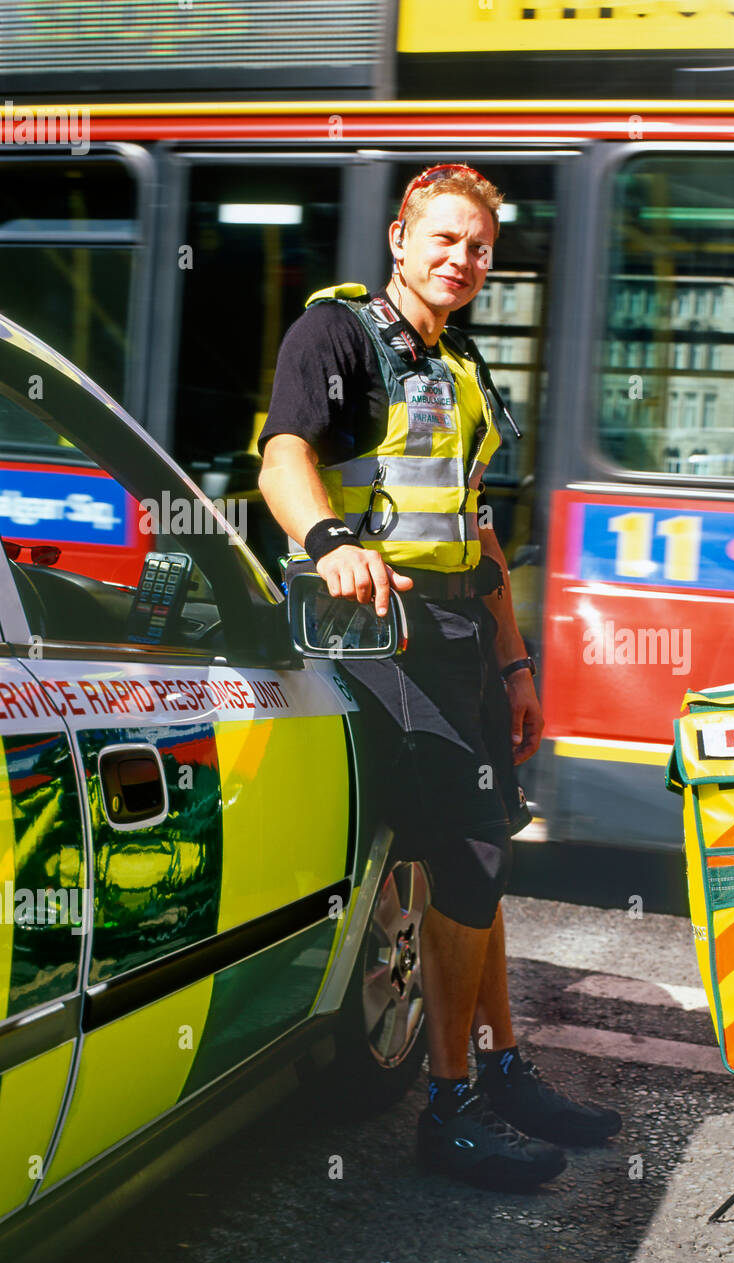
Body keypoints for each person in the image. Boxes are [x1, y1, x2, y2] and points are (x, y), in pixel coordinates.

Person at [258, 164, 620, 1191]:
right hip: (382, 635)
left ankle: (499, 1067)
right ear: (399, 239)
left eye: (478, 247)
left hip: (461, 639)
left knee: (483, 852)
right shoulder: (335, 336)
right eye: (443, 239)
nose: (460, 258)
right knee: (463, 853)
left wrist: (514, 661)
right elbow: (283, 454)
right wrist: (328, 537)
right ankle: (450, 1105)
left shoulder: (458, 362)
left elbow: (477, 531)